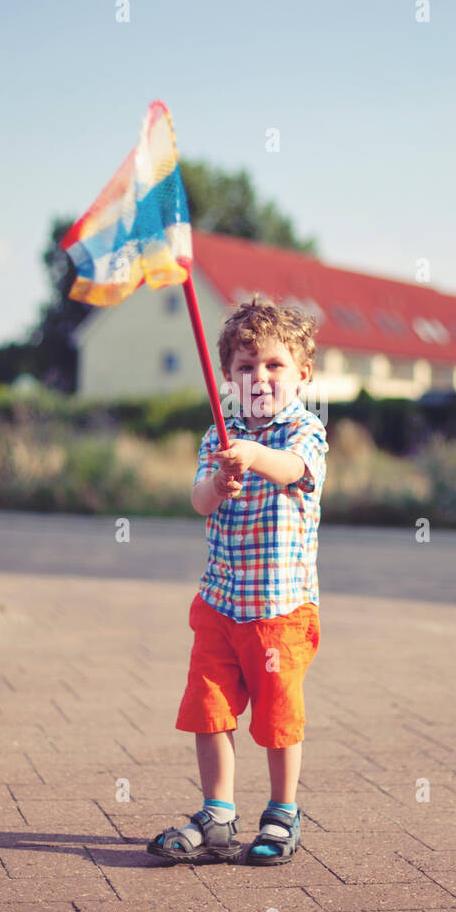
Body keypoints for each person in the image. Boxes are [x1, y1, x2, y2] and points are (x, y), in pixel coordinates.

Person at [147, 295, 328, 865]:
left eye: (273, 365)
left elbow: (293, 471)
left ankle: (281, 813)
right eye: (246, 367)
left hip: (281, 610)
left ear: (301, 374)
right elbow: (198, 499)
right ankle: (219, 813)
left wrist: (252, 454)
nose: (259, 377)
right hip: (220, 605)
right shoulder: (215, 435)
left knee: (277, 716)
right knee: (210, 709)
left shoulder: (304, 429)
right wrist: (219, 484)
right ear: (227, 377)